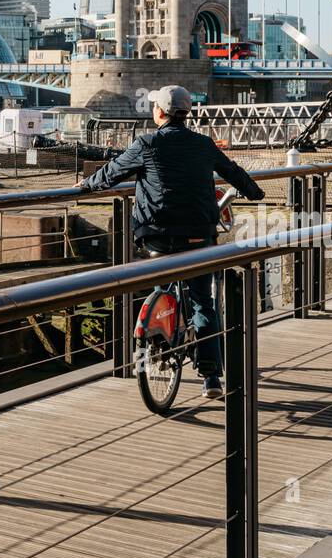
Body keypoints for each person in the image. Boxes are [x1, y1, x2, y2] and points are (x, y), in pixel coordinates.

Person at [77, 84, 264, 401]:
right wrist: (254, 192)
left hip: (157, 235)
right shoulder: (203, 144)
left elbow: (112, 172)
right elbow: (233, 172)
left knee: (161, 282)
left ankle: (158, 330)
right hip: (198, 234)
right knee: (204, 301)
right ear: (185, 114)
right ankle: (211, 376)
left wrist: (85, 186)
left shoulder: (147, 143)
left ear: (159, 112)